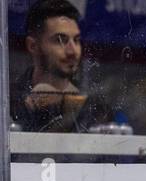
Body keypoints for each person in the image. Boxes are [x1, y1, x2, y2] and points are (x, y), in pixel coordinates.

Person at [10, 0, 110, 133]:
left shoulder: (93, 105)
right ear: (33, 46)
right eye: (60, 40)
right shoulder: (9, 100)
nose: (72, 51)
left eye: (76, 40)